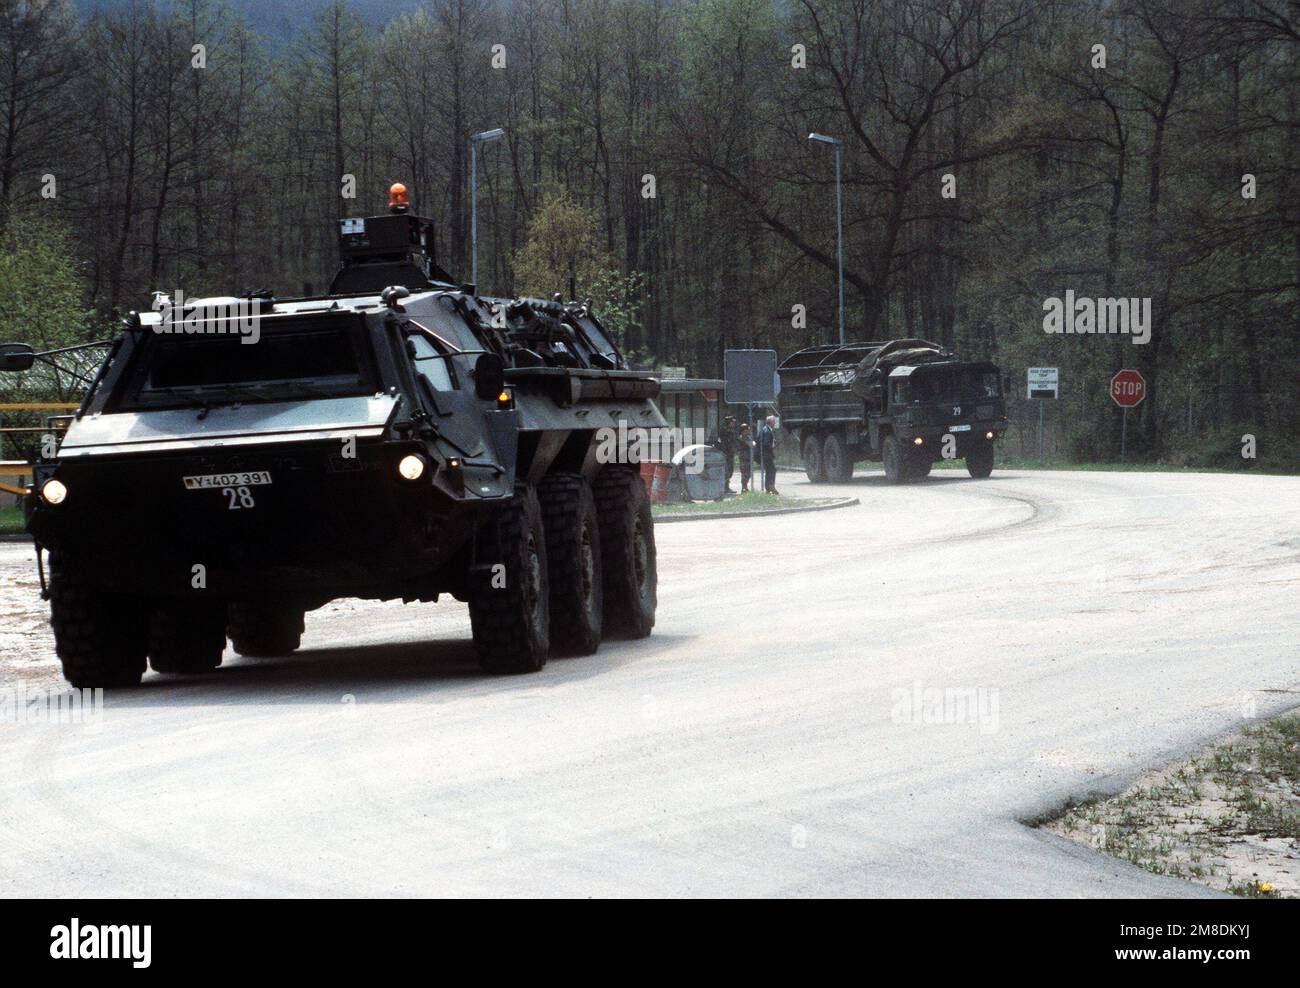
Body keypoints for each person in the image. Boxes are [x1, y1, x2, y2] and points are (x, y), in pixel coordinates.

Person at [758, 414, 779, 495]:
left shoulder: (766, 429)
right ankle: (771, 487)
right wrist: (772, 445)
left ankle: (769, 488)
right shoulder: (767, 431)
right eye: (774, 422)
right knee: (772, 470)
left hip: (765, 454)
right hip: (766, 454)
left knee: (770, 470)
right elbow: (766, 444)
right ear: (771, 422)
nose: (775, 423)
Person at [718, 414, 739, 493]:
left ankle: (726, 487)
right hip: (726, 453)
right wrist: (730, 448)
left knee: (730, 471)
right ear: (729, 422)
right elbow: (725, 442)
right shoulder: (724, 431)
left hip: (730, 454)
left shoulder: (731, 431)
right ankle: (724, 488)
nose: (733, 424)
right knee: (726, 470)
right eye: (732, 422)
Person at [737, 422, 755, 492]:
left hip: (748, 457)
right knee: (745, 473)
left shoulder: (747, 437)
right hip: (744, 457)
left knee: (748, 473)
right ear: (744, 430)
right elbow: (751, 444)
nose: (749, 430)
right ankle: (744, 488)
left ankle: (745, 487)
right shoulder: (742, 437)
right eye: (748, 429)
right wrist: (753, 443)